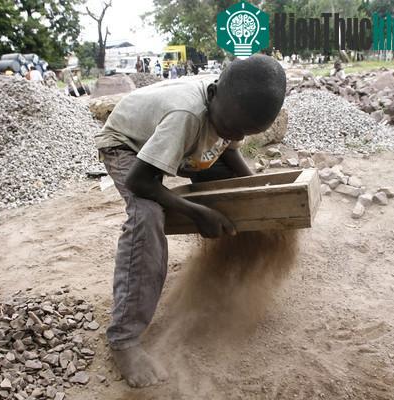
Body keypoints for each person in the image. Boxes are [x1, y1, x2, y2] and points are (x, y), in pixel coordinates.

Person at [94, 54, 286, 388]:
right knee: (148, 215)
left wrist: (256, 194)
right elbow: (142, 181)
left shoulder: (232, 112)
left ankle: (225, 289)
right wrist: (196, 212)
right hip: (128, 145)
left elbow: (228, 150)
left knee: (230, 195)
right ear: (213, 94)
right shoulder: (186, 115)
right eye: (230, 128)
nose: (234, 134)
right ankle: (123, 339)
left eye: (243, 132)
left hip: (187, 144)